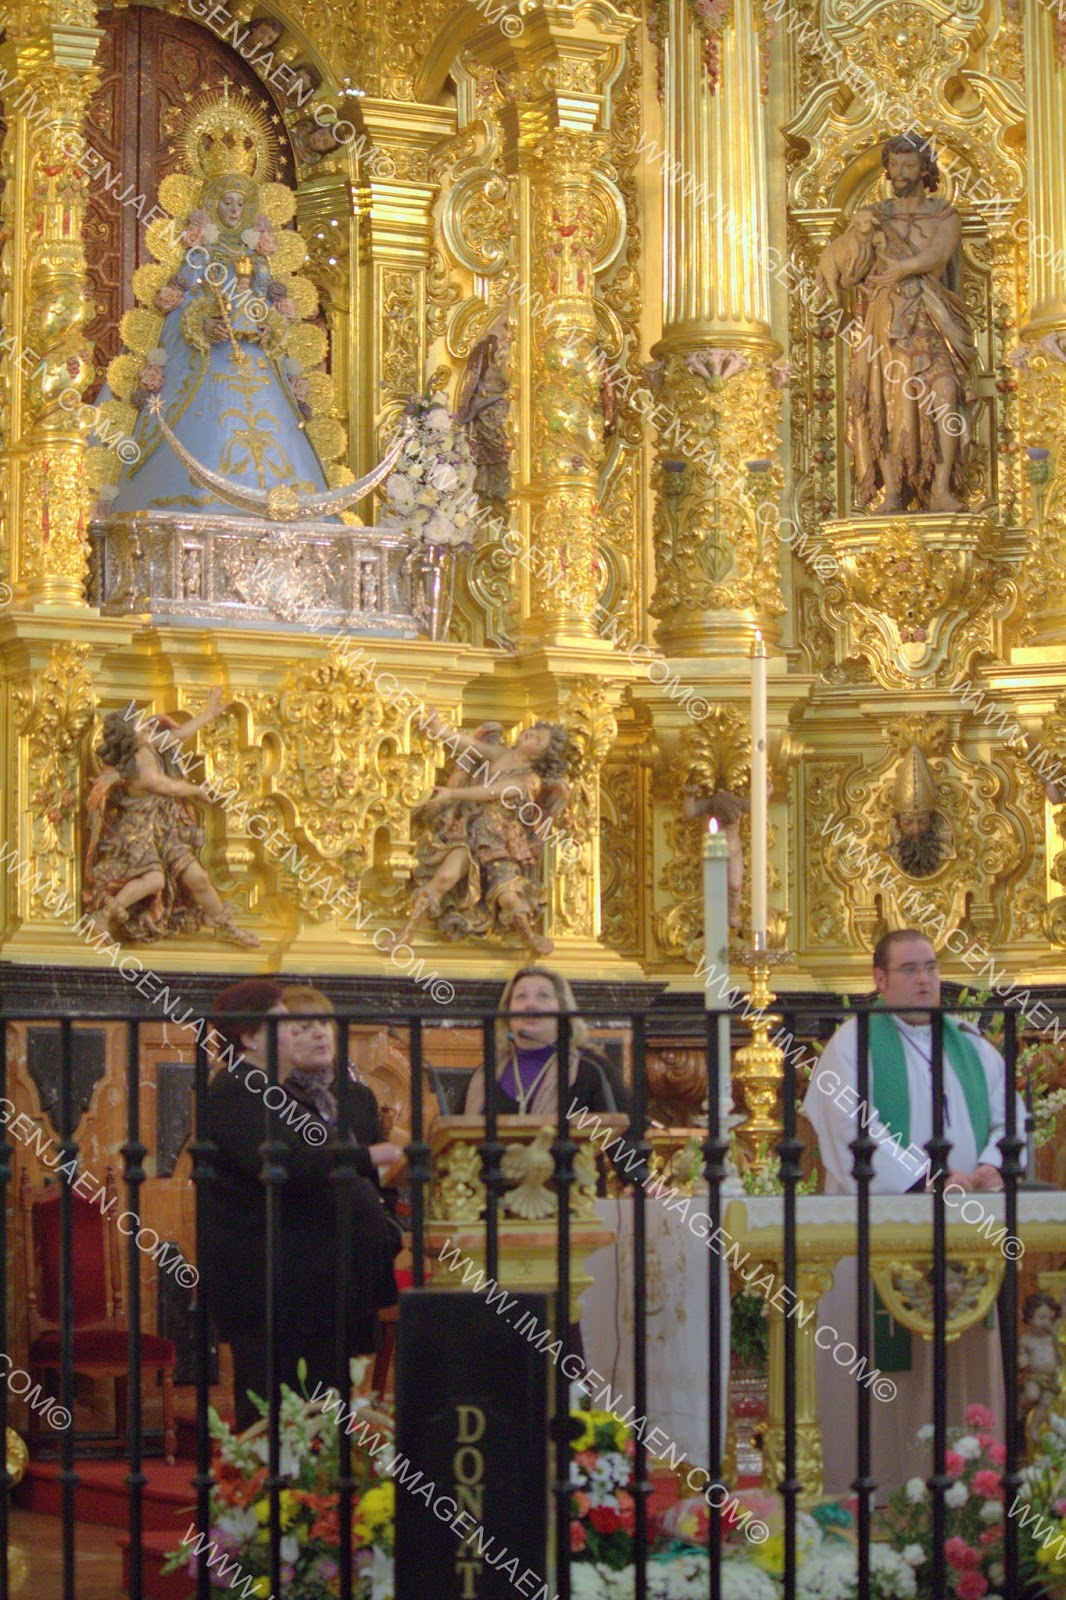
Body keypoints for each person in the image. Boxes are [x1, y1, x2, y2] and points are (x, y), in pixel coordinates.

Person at [803, 929, 1024, 1495]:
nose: (925, 979)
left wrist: (994, 1166)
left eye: (930, 966)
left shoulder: (971, 1044)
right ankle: (872, 1498)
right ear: (879, 980)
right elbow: (850, 1132)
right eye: (909, 969)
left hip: (966, 1227)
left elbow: (1008, 1117)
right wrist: (924, 1181)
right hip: (880, 1229)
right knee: (879, 1368)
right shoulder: (851, 1045)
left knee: (960, 1365)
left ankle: (968, 1494)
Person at [198, 979, 399, 1432]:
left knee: (322, 1407)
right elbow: (284, 1162)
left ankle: (316, 1495)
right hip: (271, 1284)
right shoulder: (238, 1089)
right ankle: (274, 1497)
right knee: (276, 1410)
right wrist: (366, 1155)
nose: (300, 1034)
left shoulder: (267, 1088)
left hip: (312, 1283)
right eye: (287, 1024)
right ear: (250, 1036)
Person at [815, 134, 978, 514]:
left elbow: (940, 252)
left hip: (932, 316)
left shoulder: (943, 214)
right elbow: (846, 265)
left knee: (945, 393)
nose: (900, 172)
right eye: (895, 165)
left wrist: (902, 267)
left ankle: (940, 489)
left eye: (909, 165)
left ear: (925, 169)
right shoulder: (876, 215)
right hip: (885, 322)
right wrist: (857, 237)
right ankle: (891, 491)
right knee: (884, 401)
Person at [84, 692, 259, 947]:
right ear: (132, 737)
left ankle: (223, 925)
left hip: (165, 829)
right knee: (154, 879)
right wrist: (198, 791)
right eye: (140, 726)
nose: (146, 727)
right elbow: (172, 788)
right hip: (138, 834)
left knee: (198, 877)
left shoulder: (148, 745)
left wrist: (207, 714)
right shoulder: (141, 772)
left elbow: (179, 735)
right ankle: (103, 916)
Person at [277, 983, 403, 1214]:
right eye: (304, 1028)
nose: (320, 1033)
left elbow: (380, 1177)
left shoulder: (358, 1096)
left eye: (324, 1023)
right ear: (280, 1038)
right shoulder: (275, 1096)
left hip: (364, 1227)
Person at [465, 965, 630, 1121]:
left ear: (563, 1010)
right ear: (508, 1014)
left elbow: (627, 1144)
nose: (531, 1004)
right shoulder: (485, 1075)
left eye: (543, 996)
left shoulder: (591, 1069)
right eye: (521, 996)